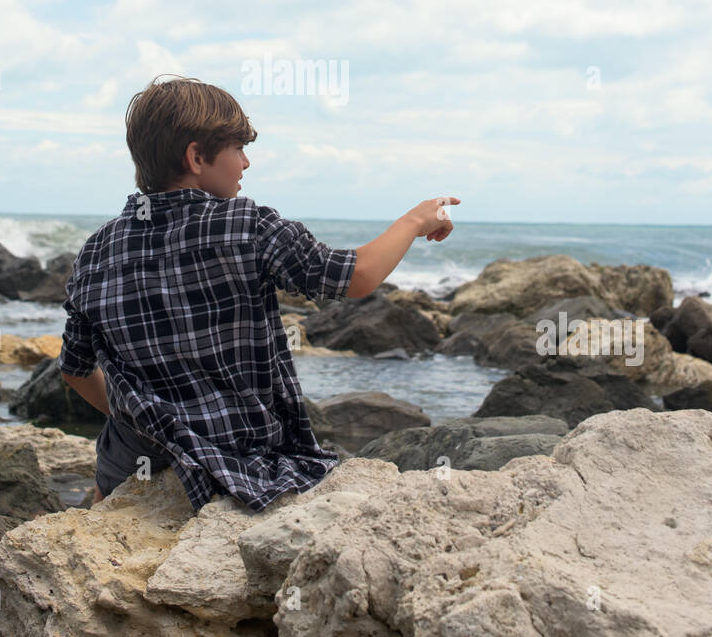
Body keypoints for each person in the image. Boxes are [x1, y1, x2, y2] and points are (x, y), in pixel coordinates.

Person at [58, 74, 459, 514]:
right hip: (233, 460)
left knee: (112, 474)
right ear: (196, 156)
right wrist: (416, 220)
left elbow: (76, 370)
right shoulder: (246, 226)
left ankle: (100, 504)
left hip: (134, 463)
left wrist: (139, 417)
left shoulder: (96, 249)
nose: (246, 164)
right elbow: (355, 276)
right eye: (238, 149)